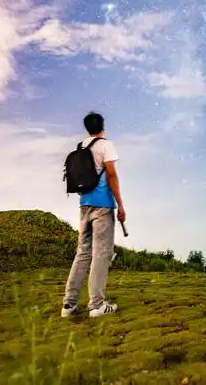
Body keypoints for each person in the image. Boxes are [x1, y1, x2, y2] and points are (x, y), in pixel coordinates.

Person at [61, 112, 126, 318]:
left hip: (84, 206)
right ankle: (97, 305)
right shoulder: (106, 145)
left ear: (87, 128)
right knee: (101, 254)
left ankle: (68, 306)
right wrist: (120, 205)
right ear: (102, 126)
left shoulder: (81, 147)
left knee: (82, 253)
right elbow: (112, 175)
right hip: (103, 206)